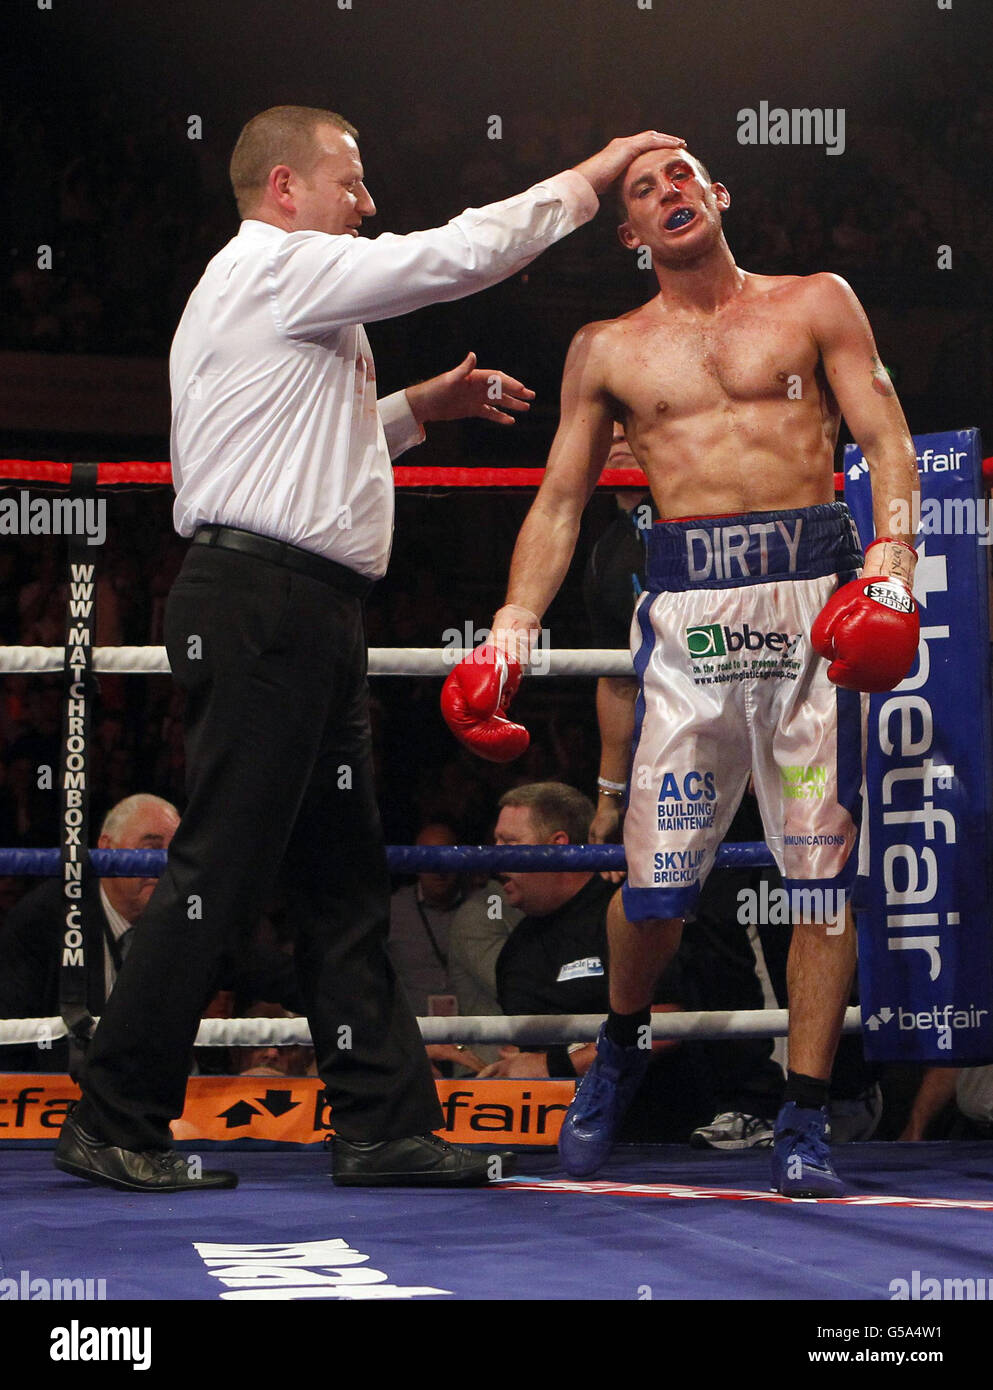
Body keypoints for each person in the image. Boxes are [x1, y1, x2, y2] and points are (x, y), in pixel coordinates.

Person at [54, 104, 686, 1193]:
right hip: (265, 607)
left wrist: (415, 409)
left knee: (345, 880)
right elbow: (454, 256)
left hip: (299, 610)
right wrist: (590, 176)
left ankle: (381, 1123)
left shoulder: (268, 298)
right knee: (213, 871)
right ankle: (114, 1112)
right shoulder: (274, 267)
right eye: (352, 180)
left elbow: (283, 447)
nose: (370, 201)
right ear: (287, 189)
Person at [443, 147, 920, 1195]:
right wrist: (514, 622)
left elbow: (886, 437)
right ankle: (619, 1041)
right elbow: (563, 499)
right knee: (656, 893)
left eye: (683, 174)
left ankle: (802, 1114)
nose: (667, 190)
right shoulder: (607, 348)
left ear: (719, 196)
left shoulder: (815, 302)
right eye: (644, 188)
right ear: (630, 234)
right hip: (690, 625)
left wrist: (890, 560)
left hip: (814, 610)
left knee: (817, 875)